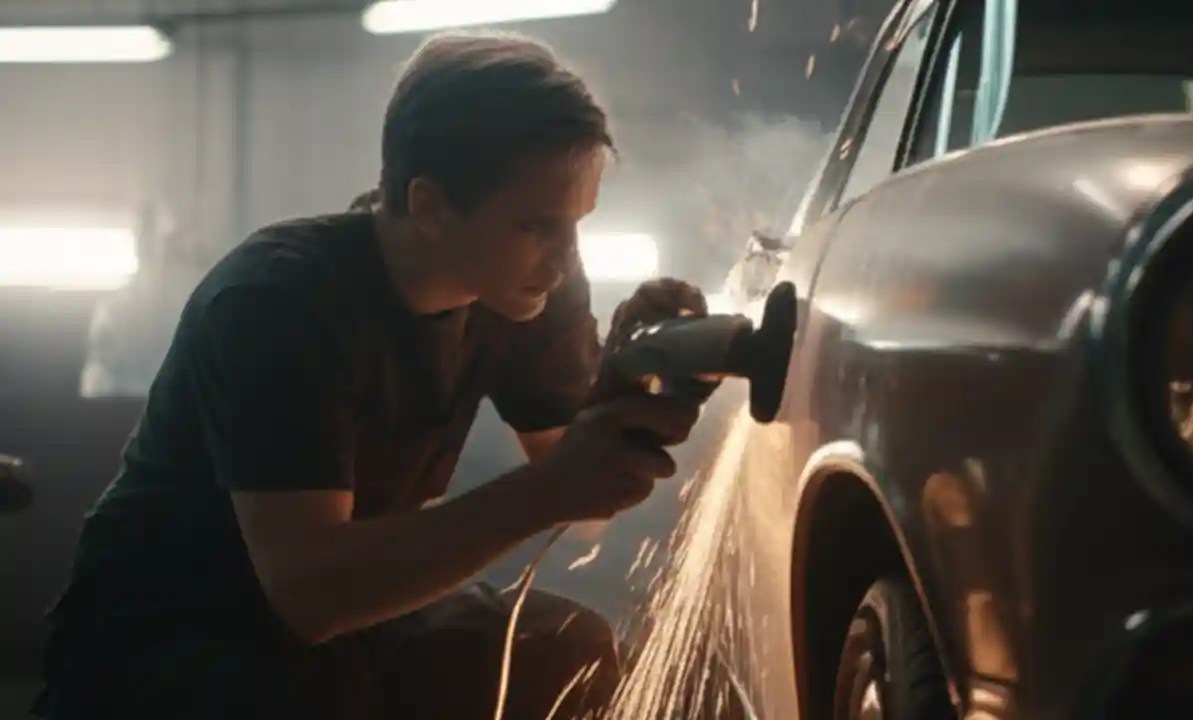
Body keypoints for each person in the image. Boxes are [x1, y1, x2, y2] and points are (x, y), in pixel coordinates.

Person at [35, 32, 711, 720]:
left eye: (577, 224)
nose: (566, 257)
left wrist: (628, 398)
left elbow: (581, 499)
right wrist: (551, 488)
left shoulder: (526, 284)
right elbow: (308, 594)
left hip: (349, 618)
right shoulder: (279, 302)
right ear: (429, 205)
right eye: (537, 225)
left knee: (570, 650)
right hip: (179, 639)